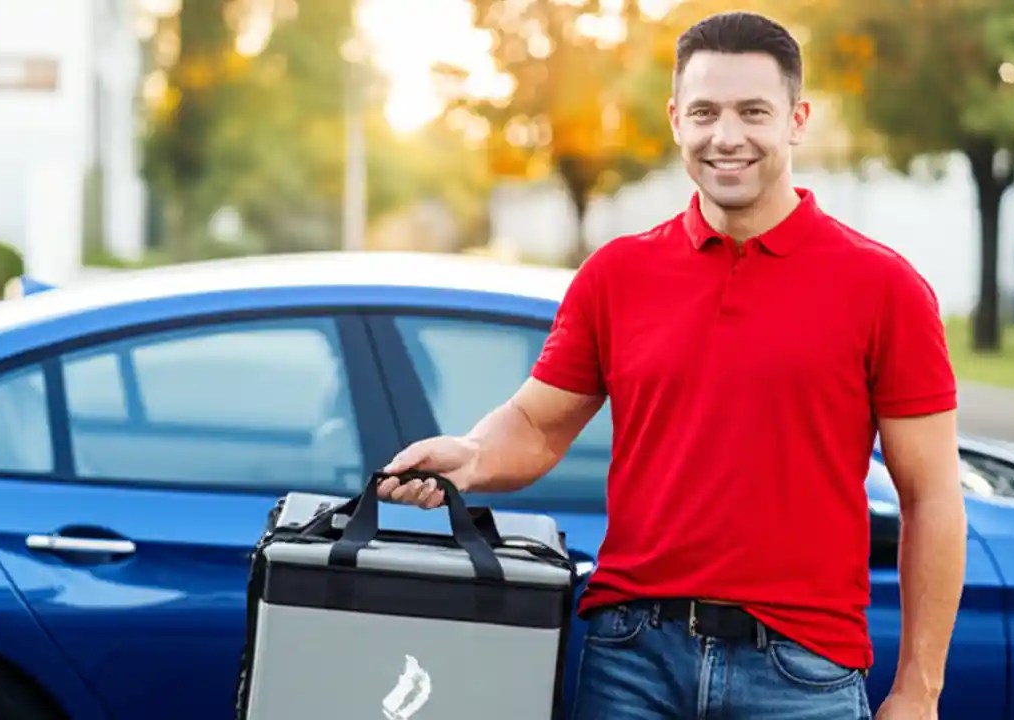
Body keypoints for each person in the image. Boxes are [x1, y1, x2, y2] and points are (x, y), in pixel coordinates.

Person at [377, 10, 967, 720]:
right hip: (631, 661)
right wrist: (469, 457)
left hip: (801, 674)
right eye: (705, 112)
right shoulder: (617, 274)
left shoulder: (885, 289)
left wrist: (919, 689)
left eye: (754, 112)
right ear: (676, 120)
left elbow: (931, 497)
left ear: (796, 120)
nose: (727, 136)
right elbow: (537, 424)